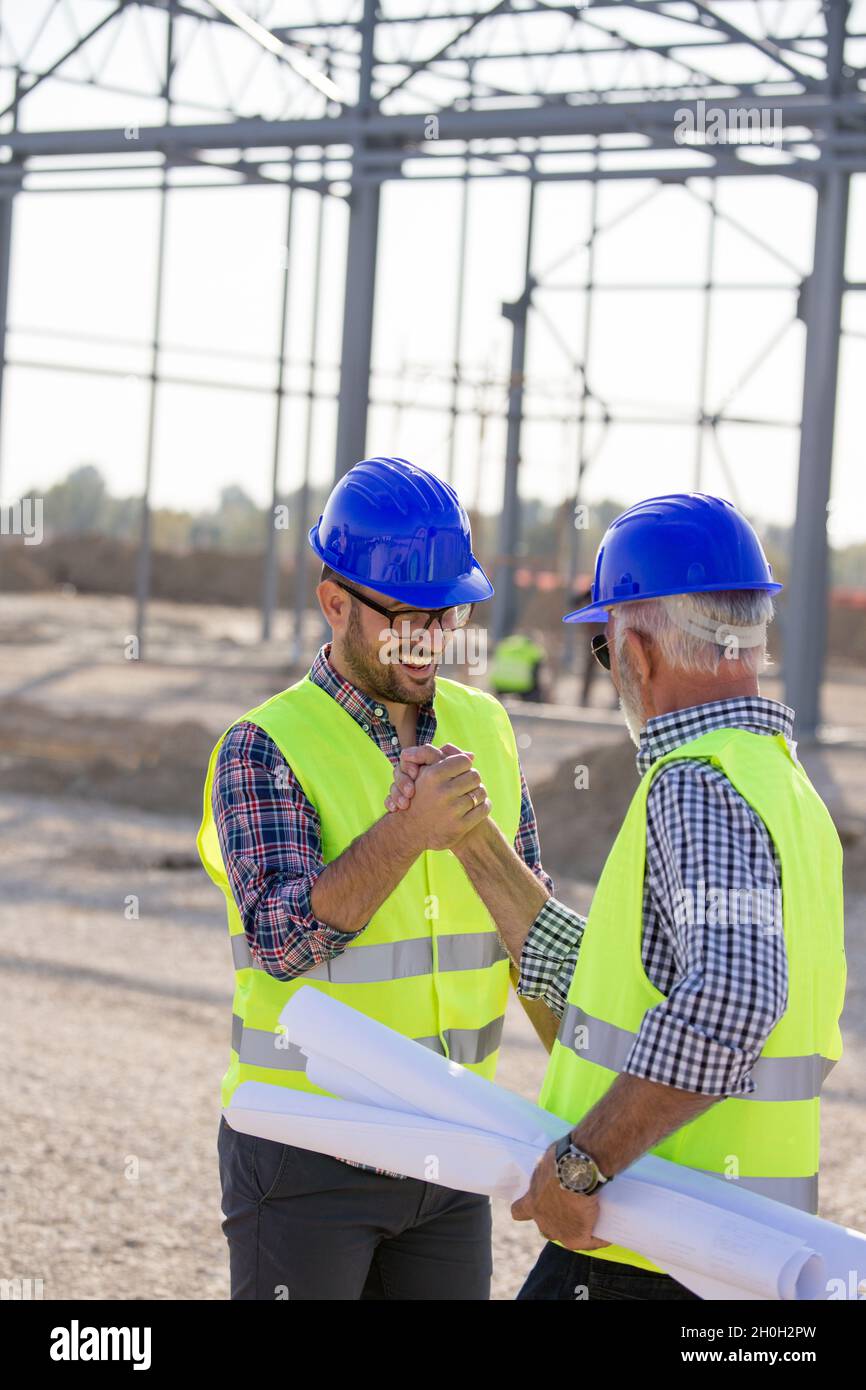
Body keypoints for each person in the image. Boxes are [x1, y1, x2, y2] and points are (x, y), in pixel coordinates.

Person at [388, 493, 846, 1302]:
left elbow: (734, 999)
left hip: (643, 1246)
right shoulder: (781, 784)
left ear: (634, 652)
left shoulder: (696, 786)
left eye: (603, 651)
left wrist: (579, 1163)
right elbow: (615, 984)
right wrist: (474, 842)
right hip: (741, 1256)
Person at [197, 455, 561, 1301]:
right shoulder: (266, 744)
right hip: (308, 1151)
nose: (431, 640)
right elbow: (283, 939)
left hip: (452, 1149)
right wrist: (406, 834)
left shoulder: (488, 728)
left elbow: (528, 929)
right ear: (335, 603)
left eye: (448, 616)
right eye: (407, 616)